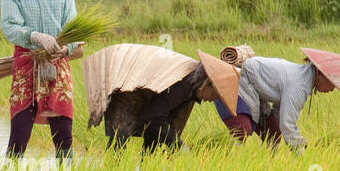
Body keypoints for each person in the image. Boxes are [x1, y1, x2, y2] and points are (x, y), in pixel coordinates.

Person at [0, 0, 87, 160]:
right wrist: (37, 36)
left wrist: (65, 48)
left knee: (63, 131)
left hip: (58, 64)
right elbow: (10, 26)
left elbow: (74, 30)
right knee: (20, 127)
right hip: (26, 63)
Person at [85, 44, 247, 153]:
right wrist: (179, 146)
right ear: (207, 83)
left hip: (143, 93)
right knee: (120, 138)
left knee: (155, 132)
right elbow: (154, 116)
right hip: (127, 83)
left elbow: (160, 121)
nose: (212, 100)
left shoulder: (191, 89)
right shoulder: (184, 83)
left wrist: (170, 146)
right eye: (215, 95)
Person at [213, 47, 340, 151]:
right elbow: (288, 124)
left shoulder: (303, 79)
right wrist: (301, 153)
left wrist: (276, 127)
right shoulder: (299, 85)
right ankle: (222, 160)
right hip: (236, 80)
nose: (333, 89)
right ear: (322, 76)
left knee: (273, 131)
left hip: (252, 88)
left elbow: (280, 113)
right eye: (333, 84)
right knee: (242, 129)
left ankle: (269, 166)